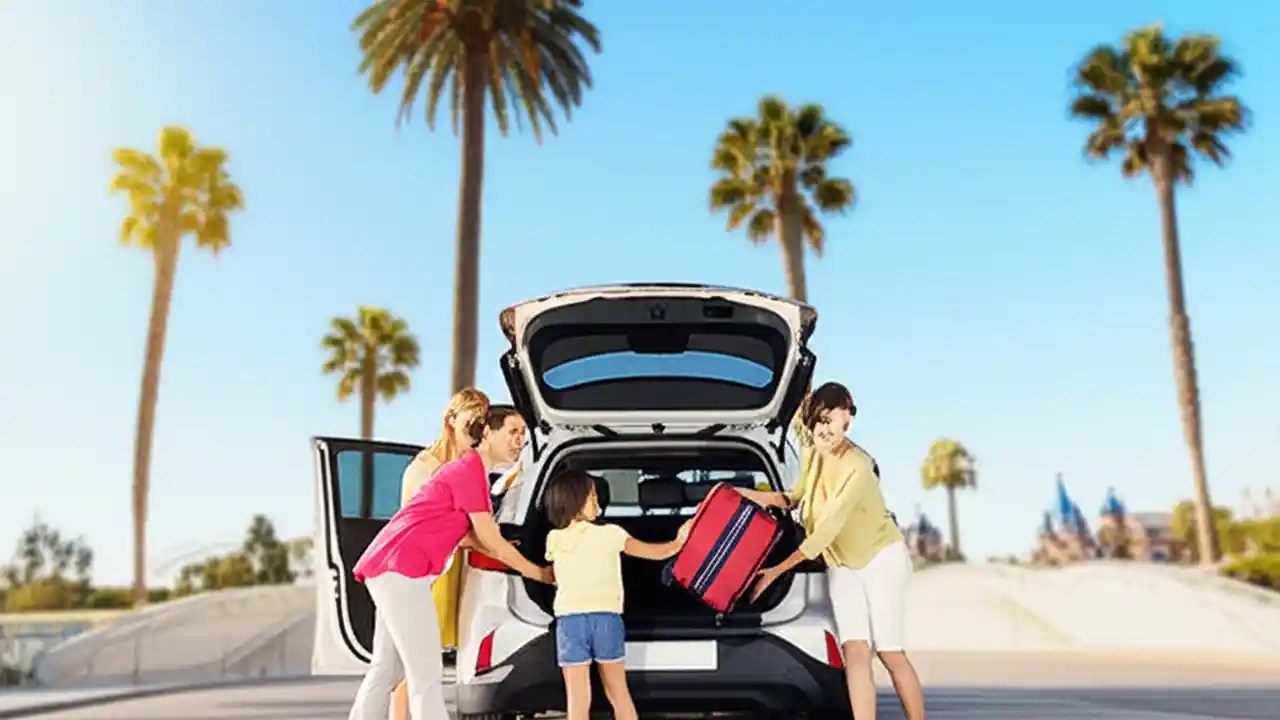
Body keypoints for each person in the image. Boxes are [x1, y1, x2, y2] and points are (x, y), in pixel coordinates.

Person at [348, 395, 553, 720]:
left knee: (387, 670)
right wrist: (539, 573)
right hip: (400, 571)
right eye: (513, 432)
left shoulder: (470, 473)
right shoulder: (468, 471)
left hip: (390, 568)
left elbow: (470, 537)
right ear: (486, 433)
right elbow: (489, 540)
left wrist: (507, 547)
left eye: (523, 436)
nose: (519, 441)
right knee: (425, 673)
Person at [741, 382, 925, 720]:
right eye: (818, 421)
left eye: (831, 420)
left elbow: (826, 529)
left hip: (880, 559)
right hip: (842, 564)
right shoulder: (813, 453)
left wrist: (775, 572)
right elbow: (795, 498)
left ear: (848, 419)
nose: (824, 428)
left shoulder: (859, 467)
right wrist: (747, 495)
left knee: (888, 651)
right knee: (854, 652)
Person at [541, 470, 691, 720]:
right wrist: (678, 543)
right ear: (575, 501)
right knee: (618, 692)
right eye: (592, 497)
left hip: (570, 623)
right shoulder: (611, 533)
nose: (597, 503)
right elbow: (653, 553)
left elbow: (554, 574)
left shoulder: (554, 539)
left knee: (577, 699)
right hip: (606, 620)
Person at [388, 390, 489, 720]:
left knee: (428, 655)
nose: (476, 432)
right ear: (451, 421)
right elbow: (430, 525)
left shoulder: (462, 465)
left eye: (481, 424)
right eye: (470, 423)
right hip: (422, 570)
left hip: (447, 567)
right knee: (414, 658)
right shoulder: (424, 467)